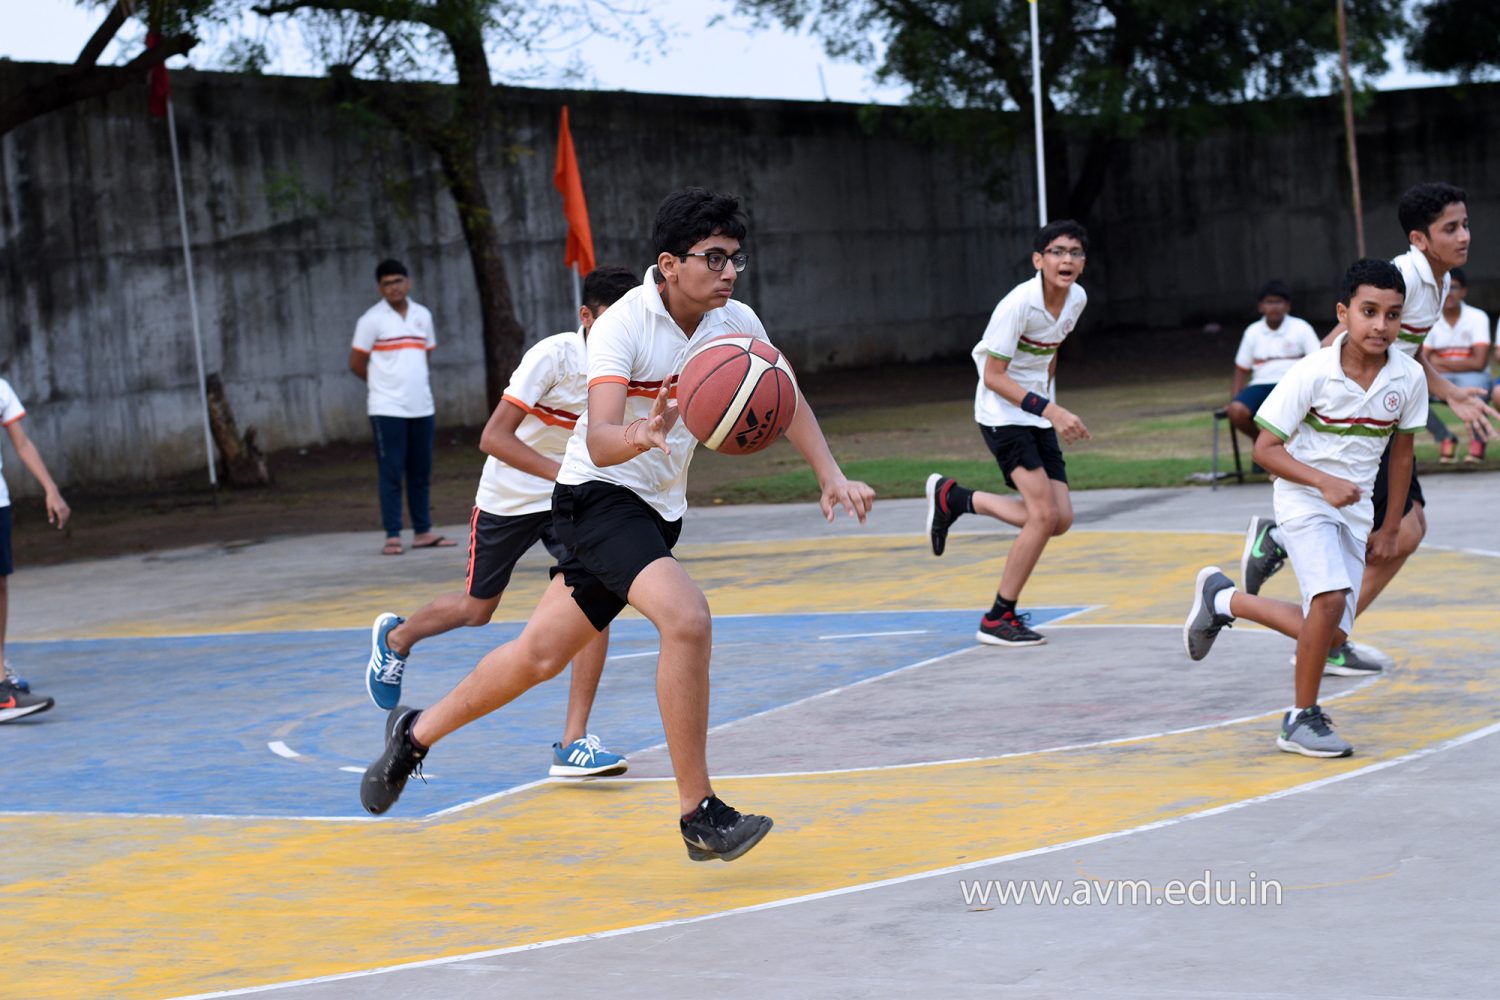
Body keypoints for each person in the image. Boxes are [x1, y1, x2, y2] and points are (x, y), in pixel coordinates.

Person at [357, 188, 875, 863]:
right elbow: (599, 441)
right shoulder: (623, 325)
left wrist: (829, 473)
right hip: (595, 496)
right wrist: (641, 431)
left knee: (539, 656)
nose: (727, 272)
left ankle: (415, 734)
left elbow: (783, 394)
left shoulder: (736, 322)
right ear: (668, 263)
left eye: (734, 259)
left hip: (658, 512)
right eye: (713, 258)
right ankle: (700, 813)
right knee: (686, 617)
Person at [364, 266, 637, 778]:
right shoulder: (553, 357)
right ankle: (397, 639)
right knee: (476, 609)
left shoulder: (629, 362)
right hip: (512, 492)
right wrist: (565, 473)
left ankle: (572, 743)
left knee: (595, 597)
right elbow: (493, 437)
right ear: (586, 316)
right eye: (613, 319)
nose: (625, 330)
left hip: (570, 498)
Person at [1241, 183, 1499, 675]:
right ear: (1420, 239)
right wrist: (1302, 429)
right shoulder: (1403, 275)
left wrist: (1450, 391)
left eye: (1465, 224)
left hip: (1383, 415)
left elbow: (1407, 354)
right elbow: (1335, 346)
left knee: (1408, 529)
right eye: (1451, 228)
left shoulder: (1437, 279)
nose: (1464, 236)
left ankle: (1319, 612)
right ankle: (1324, 633)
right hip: (1360, 425)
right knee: (1401, 532)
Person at [1187, 259, 1426, 757]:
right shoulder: (1312, 372)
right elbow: (1265, 450)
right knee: (1331, 599)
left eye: (1392, 314)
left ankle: (1223, 601)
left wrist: (1389, 527)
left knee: (1332, 631)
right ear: (1344, 313)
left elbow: (1402, 455)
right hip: (1303, 496)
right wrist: (1322, 481)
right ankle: (1300, 718)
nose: (1380, 325)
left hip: (1355, 511)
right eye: (1368, 311)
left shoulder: (1408, 377)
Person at [924, 220, 1091, 647]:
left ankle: (955, 499)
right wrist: (1052, 409)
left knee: (1061, 519)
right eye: (1057, 251)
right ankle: (998, 617)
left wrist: (1046, 403)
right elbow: (994, 376)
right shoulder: (1018, 304)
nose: (1066, 259)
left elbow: (1049, 355)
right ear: (1039, 260)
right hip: (1001, 412)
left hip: (1035, 413)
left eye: (1075, 252)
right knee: (1041, 516)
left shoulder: (1077, 300)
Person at [349, 258, 455, 555]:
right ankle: (393, 534)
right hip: (387, 409)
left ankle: (422, 531)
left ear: (407, 283)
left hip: (422, 406)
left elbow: (425, 356)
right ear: (379, 288)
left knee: (421, 471)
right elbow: (356, 363)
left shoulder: (422, 315)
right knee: (391, 471)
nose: (393, 288)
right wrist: (382, 386)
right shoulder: (371, 320)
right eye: (386, 284)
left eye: (397, 281)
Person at [0, 376, 70, 723]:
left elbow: (23, 444)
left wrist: (51, 489)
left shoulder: (0, 388)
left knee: (0, 584)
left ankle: (0, 682)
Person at [1224, 279, 1321, 447]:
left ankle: (1287, 453)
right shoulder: (1253, 331)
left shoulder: (1301, 327)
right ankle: (1261, 442)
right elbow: (1241, 369)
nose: (1274, 307)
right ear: (1261, 306)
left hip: (1293, 384)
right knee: (1236, 411)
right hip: (1260, 386)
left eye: (1278, 302)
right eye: (1269, 302)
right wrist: (1234, 399)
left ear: (1287, 306)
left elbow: (1318, 360)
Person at [1421, 267, 1492, 463]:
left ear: (1464, 291)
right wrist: (1437, 364)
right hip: (1442, 376)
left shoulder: (1477, 317)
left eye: (1454, 287)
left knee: (1479, 389)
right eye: (1445, 288)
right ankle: (1445, 437)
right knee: (1412, 393)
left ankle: (1479, 441)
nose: (1449, 293)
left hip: (1472, 376)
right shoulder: (1429, 319)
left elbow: (1479, 363)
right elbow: (1422, 361)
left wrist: (1438, 362)